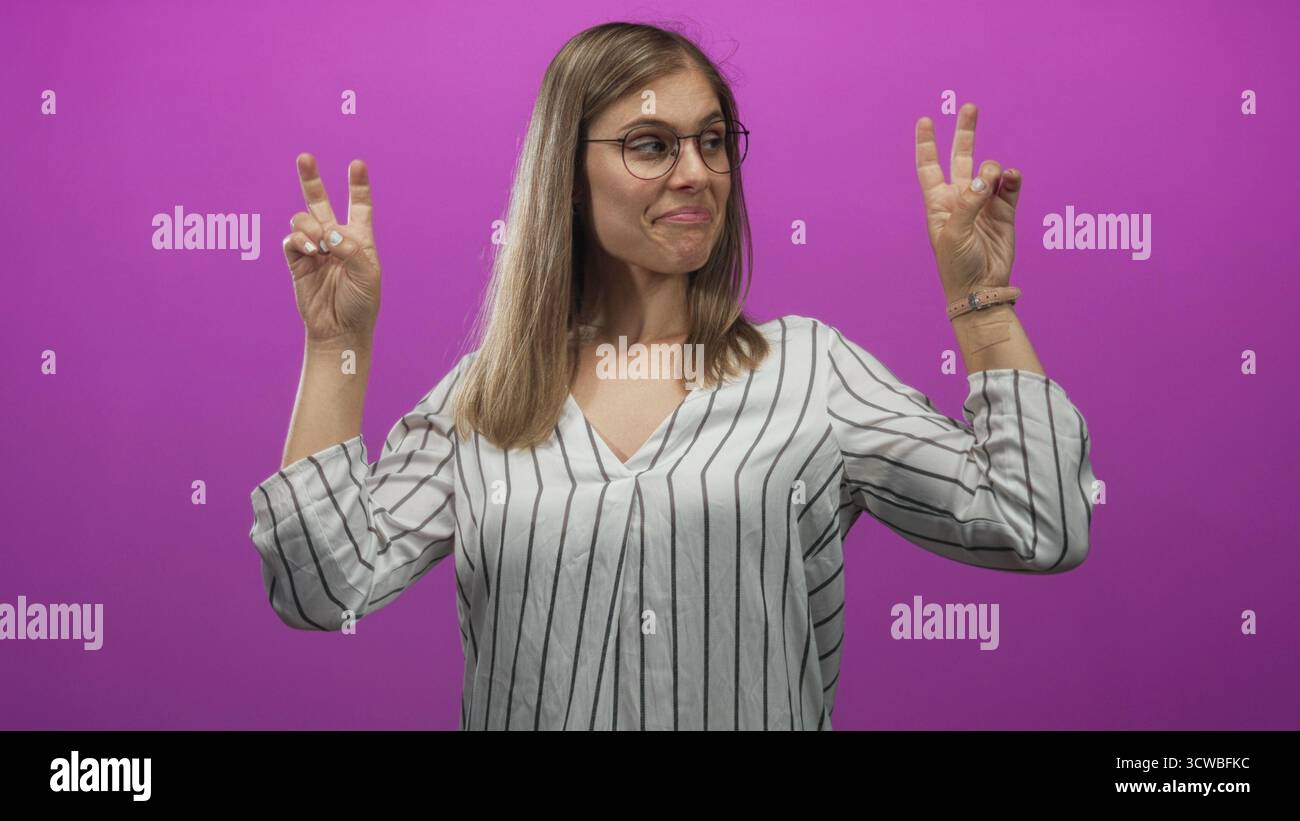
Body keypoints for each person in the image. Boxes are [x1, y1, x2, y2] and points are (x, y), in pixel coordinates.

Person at [249, 21, 1097, 731]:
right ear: (568, 177)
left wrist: (980, 303)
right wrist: (335, 346)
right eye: (651, 145)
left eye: (713, 142)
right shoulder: (484, 400)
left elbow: (1039, 523)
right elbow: (323, 585)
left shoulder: (810, 372)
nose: (696, 172)